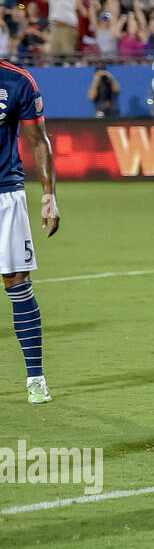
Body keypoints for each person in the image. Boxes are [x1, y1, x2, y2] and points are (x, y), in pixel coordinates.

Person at [0, 60, 58, 403]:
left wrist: (49, 195)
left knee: (17, 283)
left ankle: (35, 378)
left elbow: (39, 141)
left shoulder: (17, 81)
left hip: (5, 194)